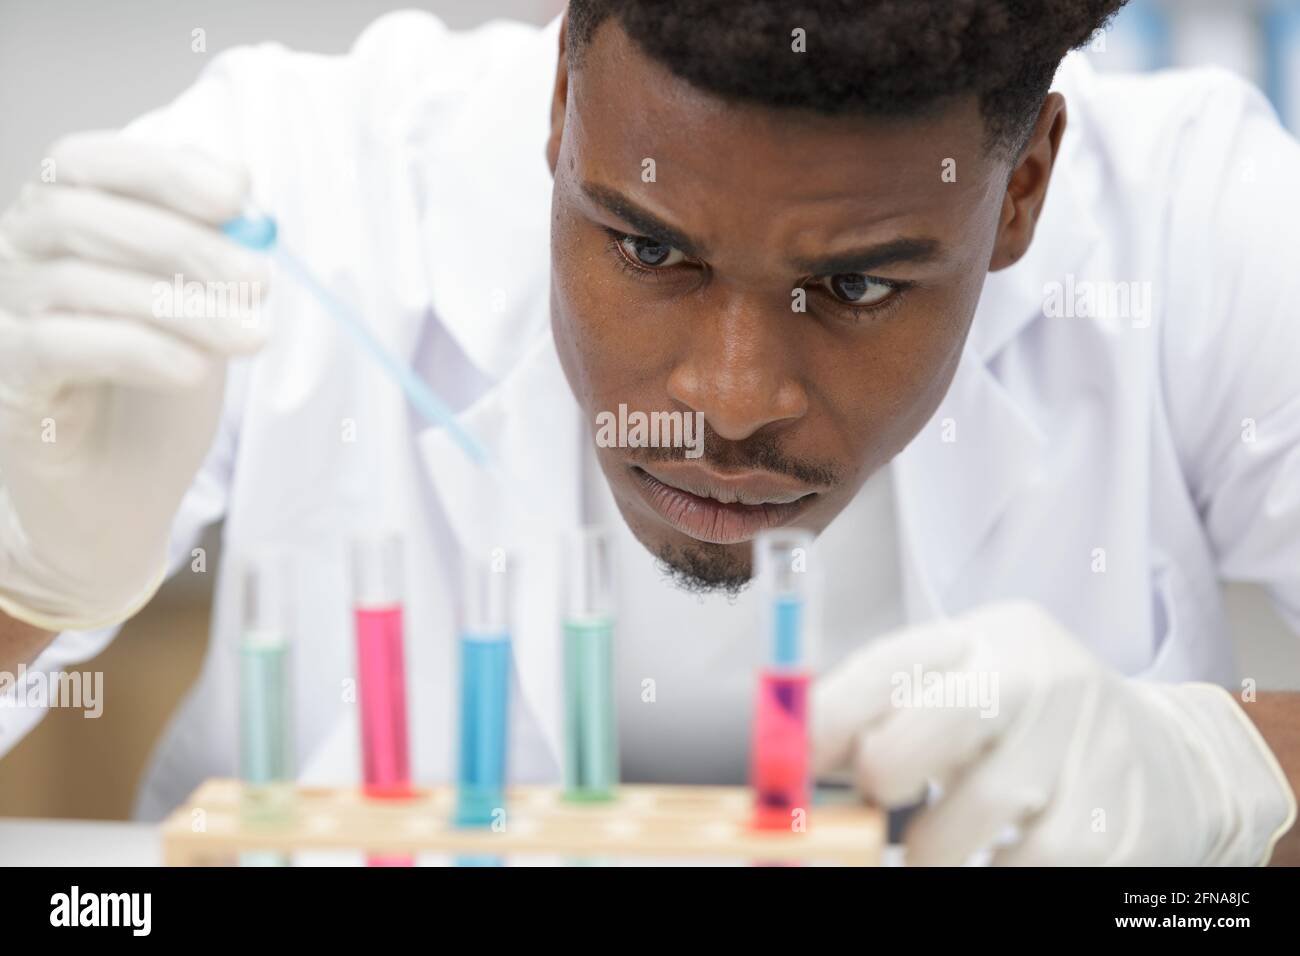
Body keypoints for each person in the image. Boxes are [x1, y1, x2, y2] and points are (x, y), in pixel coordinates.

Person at [0, 1, 1296, 865]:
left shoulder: (1200, 227)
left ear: (1020, 190)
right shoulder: (268, 189)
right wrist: (25, 580)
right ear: (563, 91)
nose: (730, 401)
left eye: (855, 287)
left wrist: (1219, 765)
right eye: (647, 246)